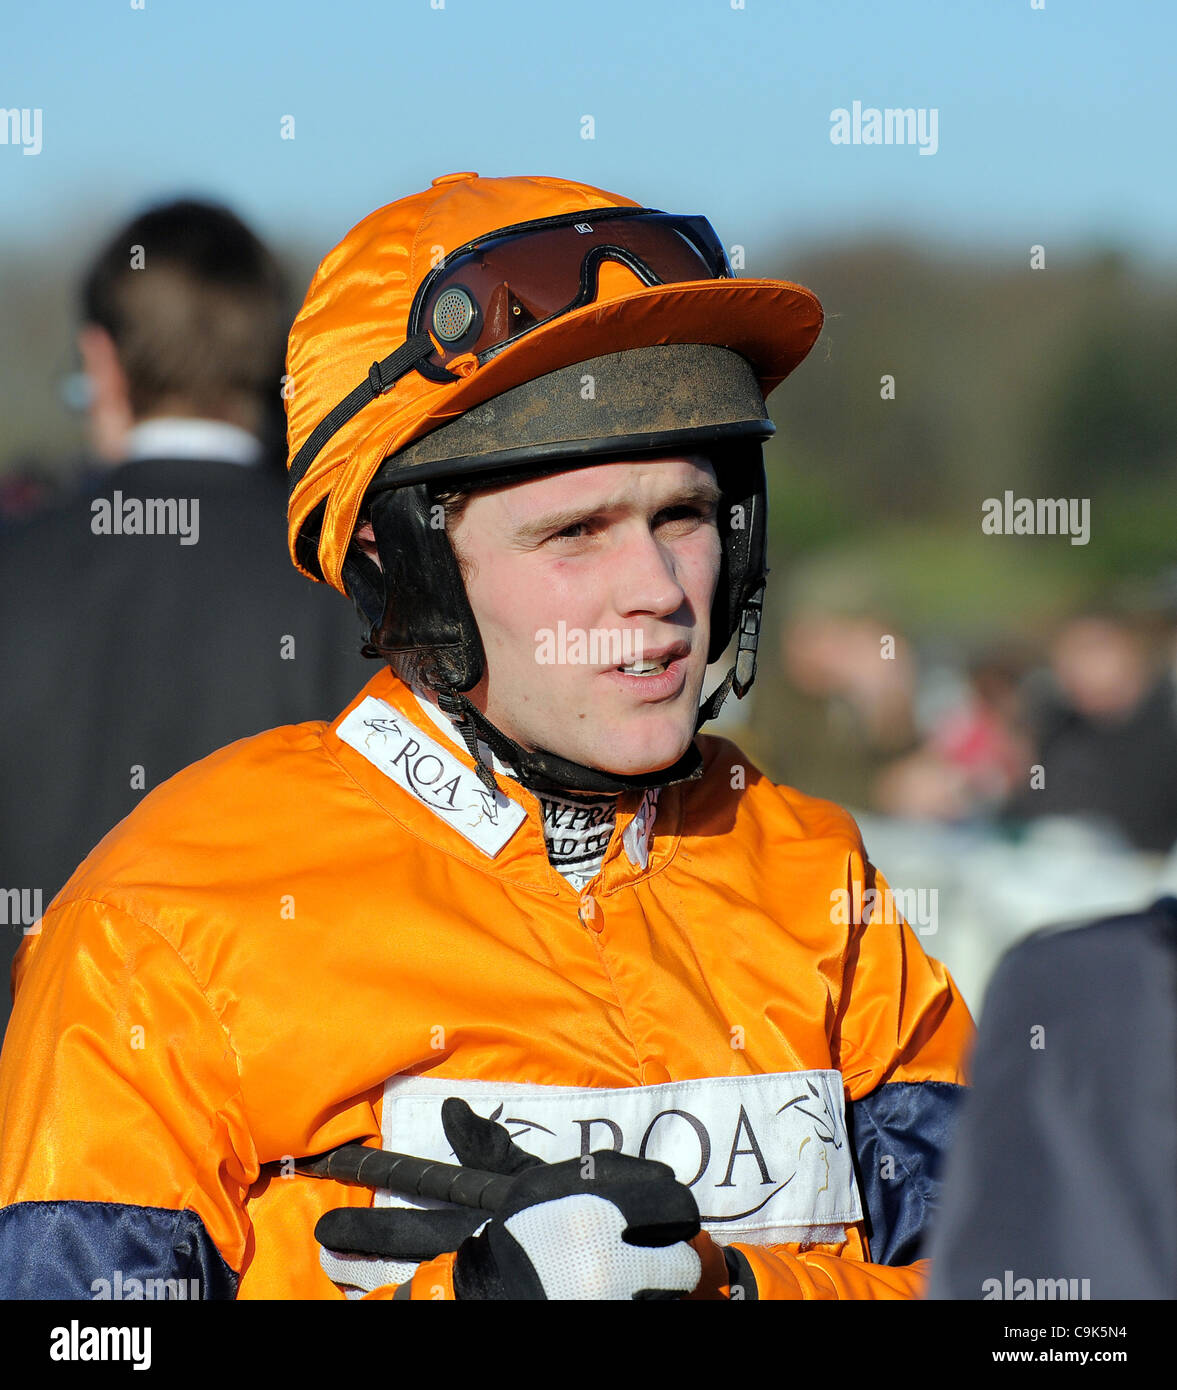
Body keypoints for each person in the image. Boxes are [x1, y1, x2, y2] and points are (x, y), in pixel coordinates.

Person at [0, 172, 973, 1300]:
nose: (655, 589)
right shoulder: (154, 925)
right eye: (574, 534)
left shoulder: (817, 878)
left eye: (684, 515)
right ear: (396, 566)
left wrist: (730, 1287)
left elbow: (1036, 1298)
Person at [0, 199, 370, 1036]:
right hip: (287, 1132)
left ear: (102, 361)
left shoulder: (15, 571)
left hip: (26, 1116)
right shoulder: (351, 579)